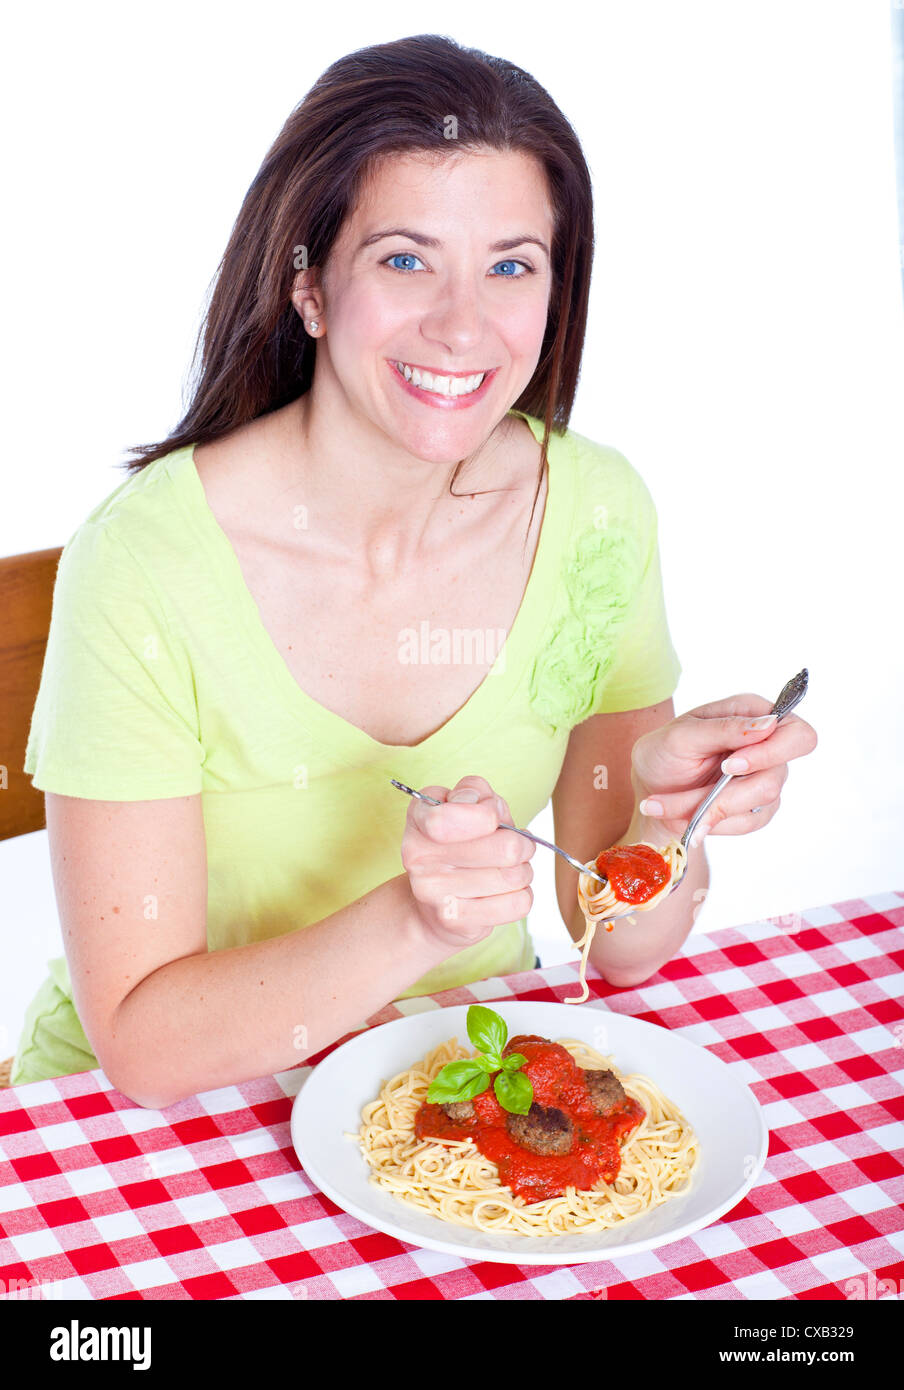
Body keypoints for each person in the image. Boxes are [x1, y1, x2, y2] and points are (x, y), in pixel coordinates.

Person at [11, 34, 816, 1106]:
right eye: (403, 258)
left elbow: (613, 946)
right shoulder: (148, 560)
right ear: (308, 288)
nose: (462, 324)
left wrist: (666, 822)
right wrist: (417, 916)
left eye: (510, 265)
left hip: (453, 1082)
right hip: (172, 1131)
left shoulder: (594, 514)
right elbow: (146, 1049)